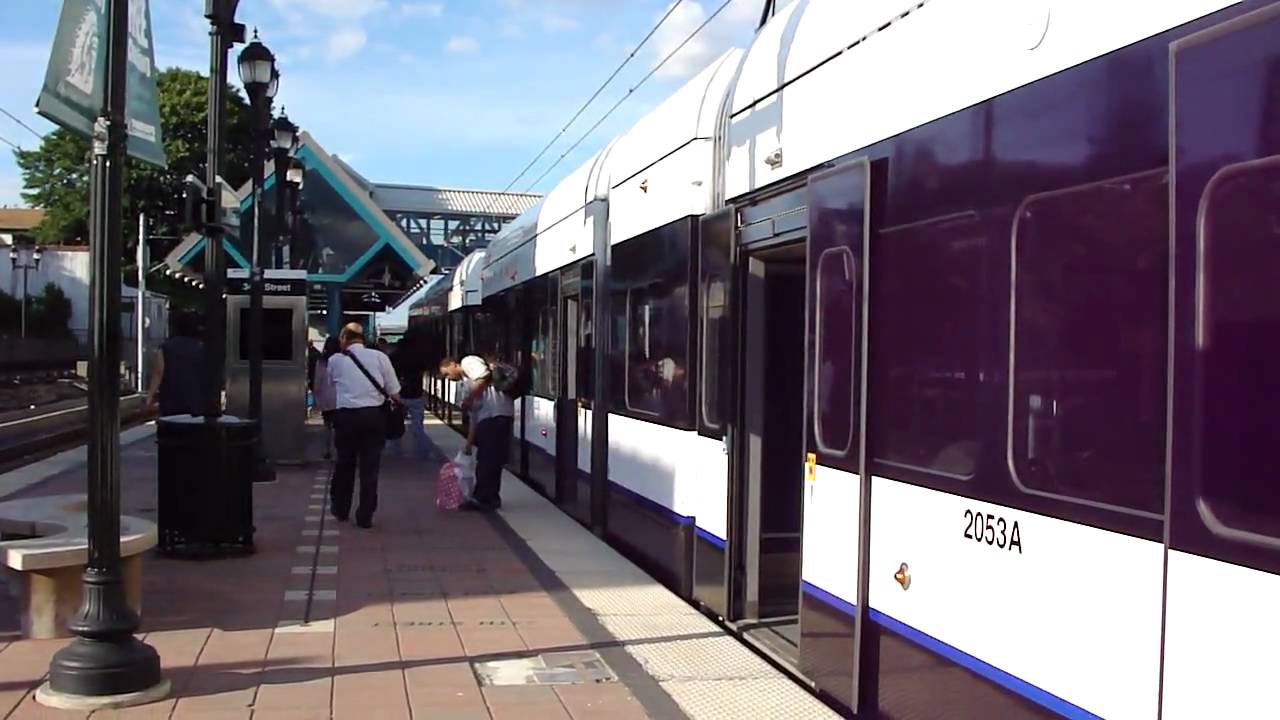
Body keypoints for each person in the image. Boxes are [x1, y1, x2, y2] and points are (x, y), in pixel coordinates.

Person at [326, 322, 401, 529]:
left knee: (345, 464)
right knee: (370, 469)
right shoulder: (380, 358)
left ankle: (341, 509)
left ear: (343, 339)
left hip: (346, 418)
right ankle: (365, 516)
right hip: (373, 417)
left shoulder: (335, 360)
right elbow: (394, 392)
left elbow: (332, 384)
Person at [461, 362, 515, 512]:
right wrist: (469, 444)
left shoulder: (468, 364)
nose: (447, 377)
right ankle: (492, 496)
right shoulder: (483, 384)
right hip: (505, 415)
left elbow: (474, 418)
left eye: (446, 373)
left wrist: (468, 399)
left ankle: (482, 497)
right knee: (495, 461)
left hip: (492, 419)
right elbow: (473, 419)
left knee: (486, 460)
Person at [146, 310, 206, 416]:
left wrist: (150, 396)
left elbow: (158, 373)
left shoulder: (165, 348)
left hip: (170, 402)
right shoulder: (203, 348)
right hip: (196, 402)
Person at [392, 328, 430, 459]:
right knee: (418, 426)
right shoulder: (419, 354)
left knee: (396, 424)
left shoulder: (395, 354)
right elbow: (424, 369)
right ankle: (422, 452)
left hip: (399, 394)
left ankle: (396, 452)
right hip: (416, 394)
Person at [313, 336, 340, 460]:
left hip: (327, 397)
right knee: (340, 426)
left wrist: (316, 398)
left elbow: (317, 381)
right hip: (341, 398)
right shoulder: (343, 359)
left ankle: (327, 449)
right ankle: (339, 449)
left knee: (327, 425)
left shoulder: (321, 361)